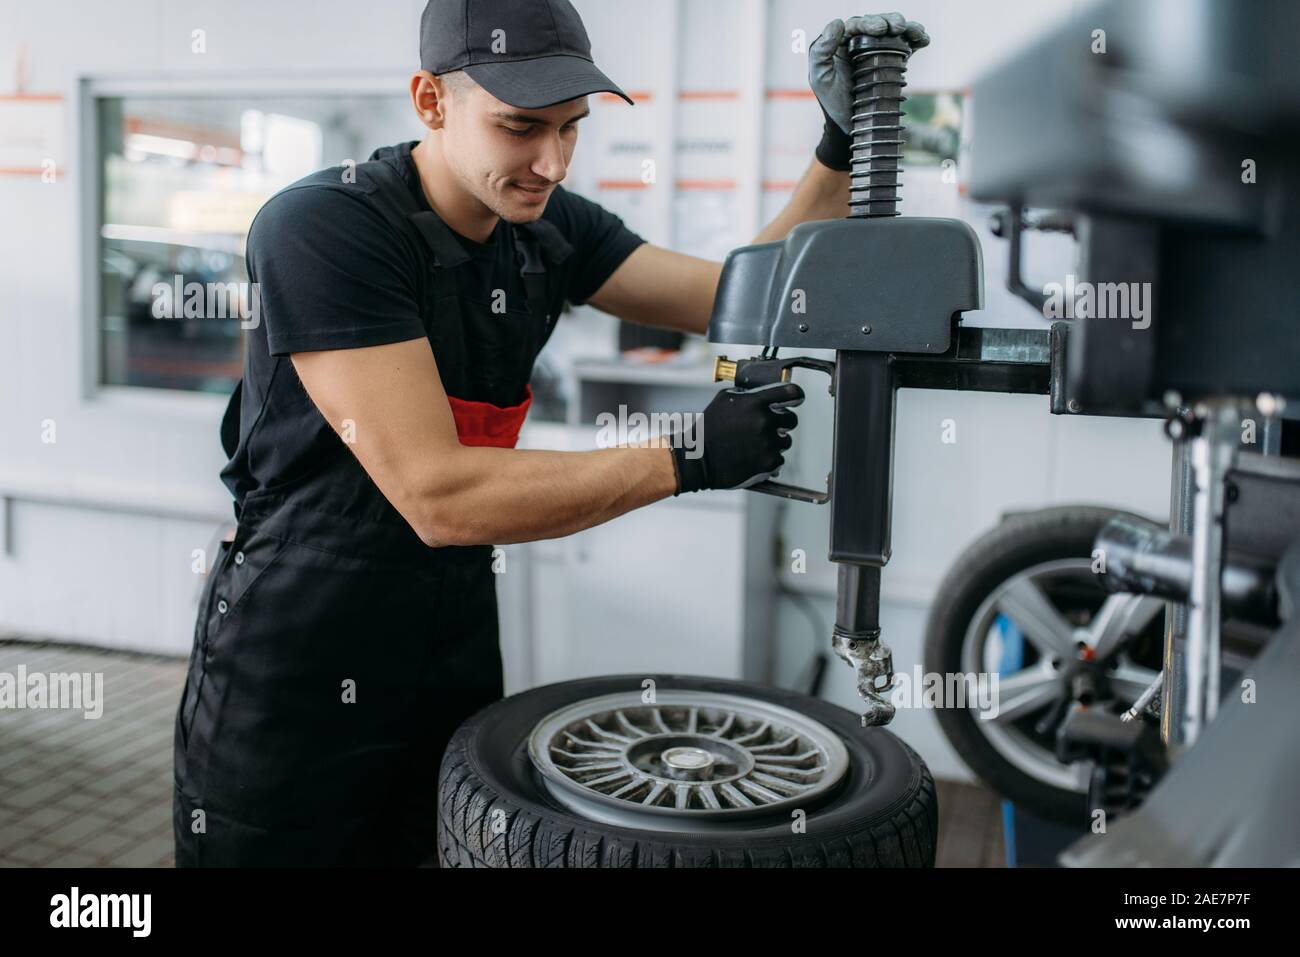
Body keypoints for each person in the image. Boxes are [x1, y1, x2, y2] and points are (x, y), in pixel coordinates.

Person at [172, 0, 929, 866]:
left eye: (573, 129)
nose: (552, 162)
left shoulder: (548, 226)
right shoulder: (325, 228)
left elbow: (747, 299)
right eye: (521, 128)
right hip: (296, 667)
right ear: (430, 101)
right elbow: (439, 495)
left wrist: (837, 145)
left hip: (450, 641)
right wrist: (685, 456)